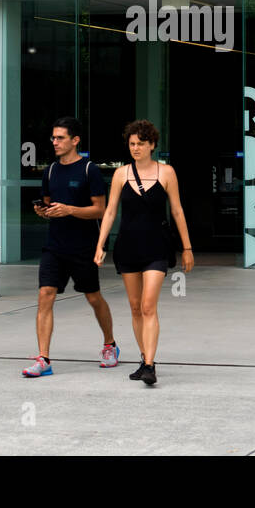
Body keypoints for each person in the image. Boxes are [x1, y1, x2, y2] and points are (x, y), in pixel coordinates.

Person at [94, 119, 194, 387]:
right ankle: (143, 358)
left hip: (156, 247)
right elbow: (111, 212)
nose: (135, 148)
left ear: (152, 145)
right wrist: (100, 244)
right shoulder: (120, 175)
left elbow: (177, 211)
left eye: (140, 143)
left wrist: (187, 247)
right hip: (127, 247)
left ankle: (150, 365)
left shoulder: (167, 173)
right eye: (131, 144)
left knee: (149, 305)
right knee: (136, 307)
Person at [23, 116, 118, 378]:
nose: (54, 142)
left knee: (93, 297)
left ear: (75, 140)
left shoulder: (89, 170)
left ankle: (110, 344)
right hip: (54, 246)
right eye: (53, 137)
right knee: (45, 295)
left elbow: (100, 209)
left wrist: (70, 210)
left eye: (60, 137)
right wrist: (44, 212)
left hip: (83, 246)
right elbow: (49, 205)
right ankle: (44, 359)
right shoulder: (50, 170)